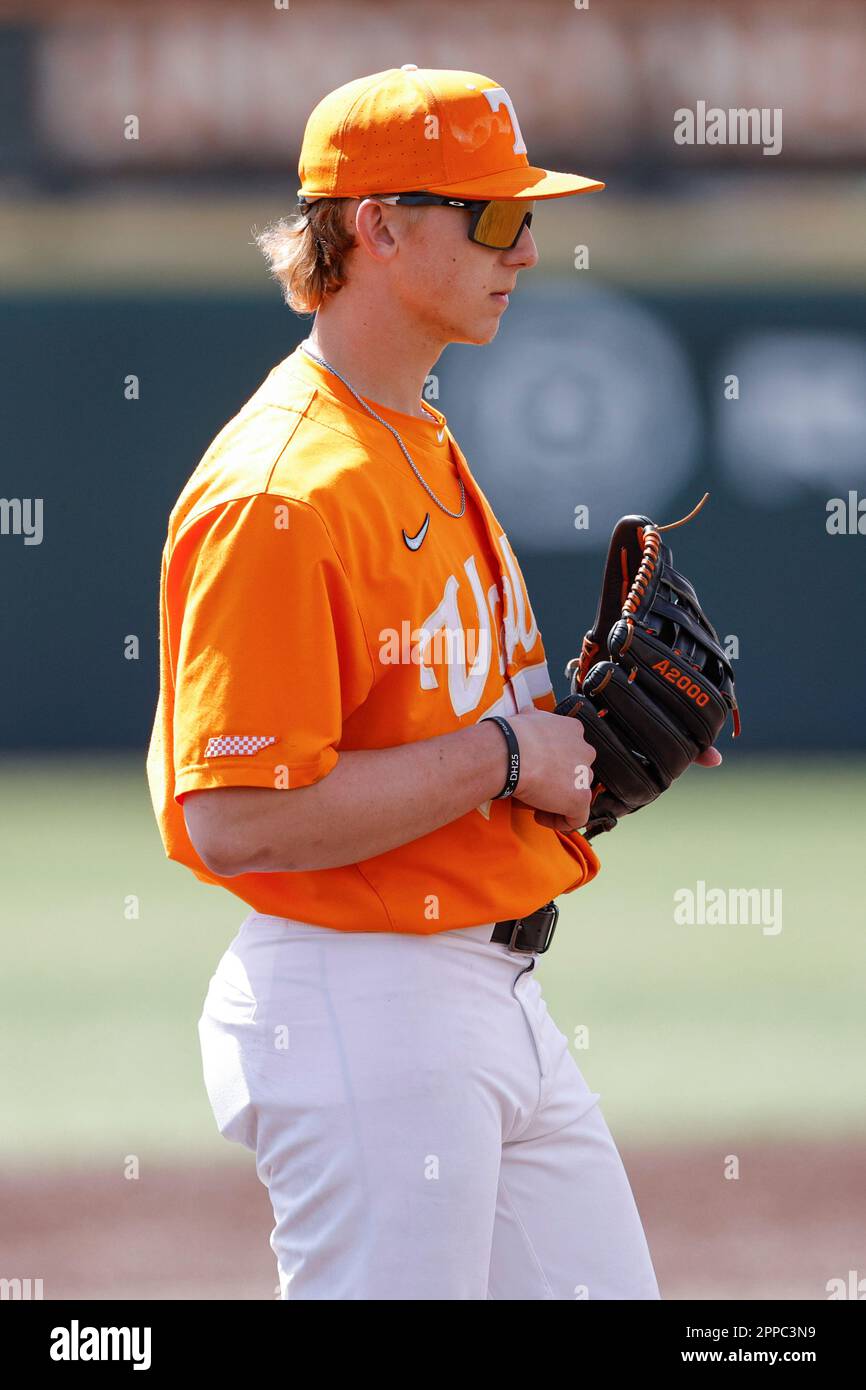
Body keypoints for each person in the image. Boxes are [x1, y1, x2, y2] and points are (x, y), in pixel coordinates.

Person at [147, 65, 717, 1300]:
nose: (524, 248)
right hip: (366, 1001)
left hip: (483, 991)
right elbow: (232, 815)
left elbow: (451, 728)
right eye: (494, 216)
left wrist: (567, 758)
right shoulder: (283, 491)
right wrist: (507, 756)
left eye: (529, 217)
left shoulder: (408, 428)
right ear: (379, 225)